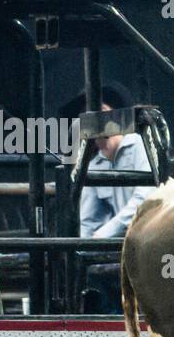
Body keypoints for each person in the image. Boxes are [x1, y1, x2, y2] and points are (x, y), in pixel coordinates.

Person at [64, 84, 157, 241]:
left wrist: (103, 234)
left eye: (102, 112)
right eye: (87, 116)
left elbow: (145, 198)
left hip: (152, 235)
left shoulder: (139, 144)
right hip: (124, 242)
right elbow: (88, 219)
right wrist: (80, 248)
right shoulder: (93, 165)